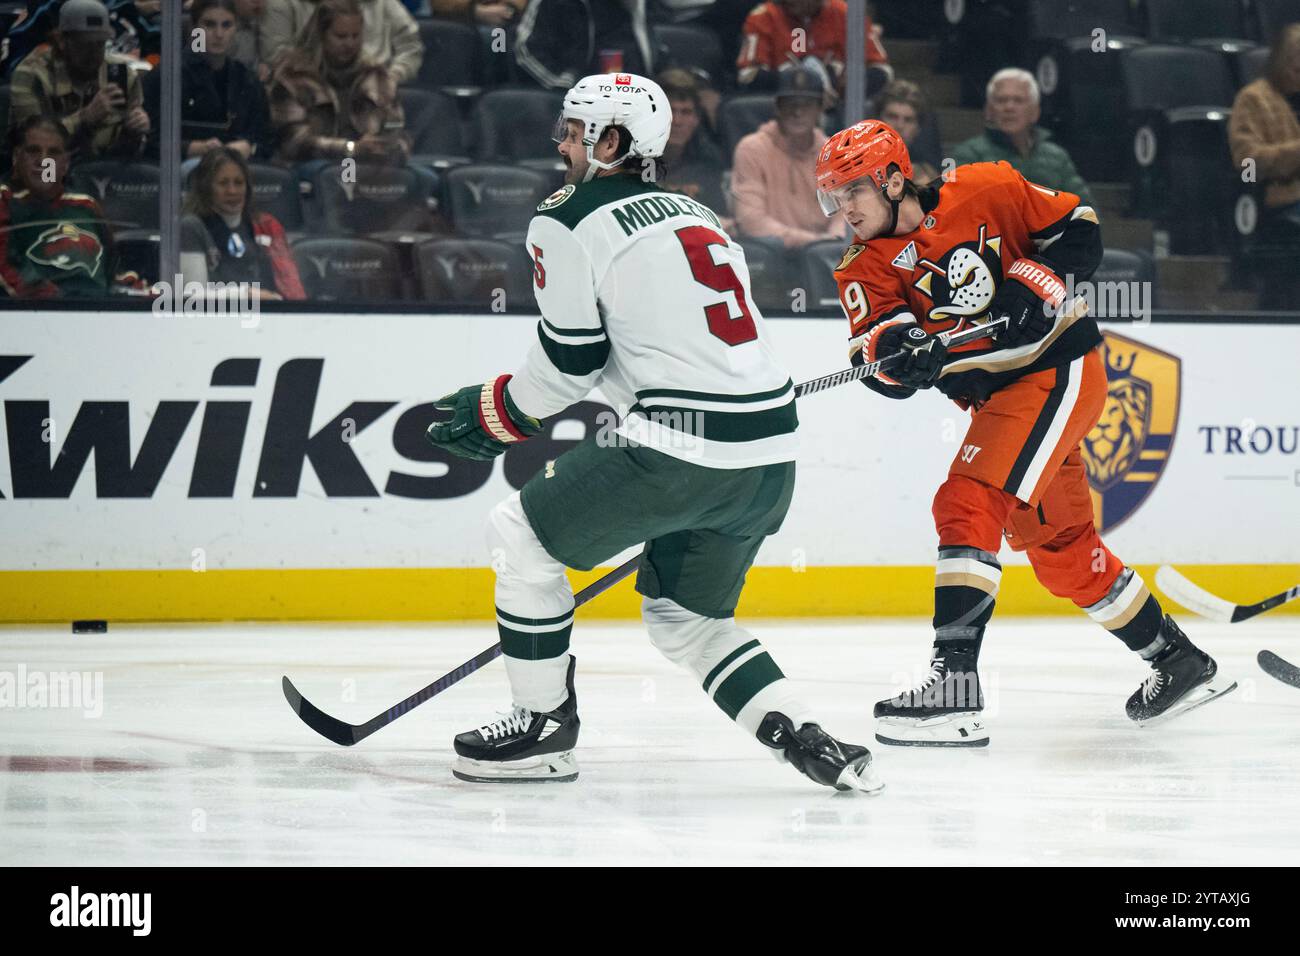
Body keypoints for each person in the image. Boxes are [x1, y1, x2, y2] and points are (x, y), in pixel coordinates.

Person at [425, 72, 881, 792]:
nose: (563, 145)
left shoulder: (568, 214)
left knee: (519, 538)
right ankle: (804, 735)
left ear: (611, 142)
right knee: (684, 618)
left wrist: (499, 411)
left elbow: (571, 363)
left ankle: (542, 727)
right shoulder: (694, 214)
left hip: (680, 447)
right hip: (769, 456)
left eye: (574, 131)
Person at [815, 121, 1235, 743]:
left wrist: (1028, 281)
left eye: (852, 190)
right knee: (1061, 554)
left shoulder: (987, 187)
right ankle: (1178, 661)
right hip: (997, 399)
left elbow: (1080, 228)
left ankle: (954, 687)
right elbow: (876, 354)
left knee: (964, 502)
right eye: (832, 196)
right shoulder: (861, 267)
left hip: (1058, 369)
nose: (842, 208)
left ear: (894, 178)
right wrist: (905, 353)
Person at [0, 115, 136, 297]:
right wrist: (65, 305)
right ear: (17, 157)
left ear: (65, 163)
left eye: (53, 153)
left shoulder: (86, 206)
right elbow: (8, 272)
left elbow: (112, 273)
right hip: (40, 316)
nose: (44, 162)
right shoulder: (5, 201)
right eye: (33, 151)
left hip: (100, 314)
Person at [266, 0, 410, 165]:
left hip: (367, 165)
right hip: (315, 166)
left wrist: (389, 147)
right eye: (341, 36)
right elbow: (292, 142)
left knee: (424, 178)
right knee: (339, 175)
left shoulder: (377, 75)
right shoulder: (292, 76)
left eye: (355, 36)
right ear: (321, 35)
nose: (349, 44)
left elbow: (398, 131)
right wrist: (350, 149)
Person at [8, 0, 150, 161]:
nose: (94, 53)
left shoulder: (121, 74)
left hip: (103, 170)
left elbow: (128, 154)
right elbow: (33, 145)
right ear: (62, 41)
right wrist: (85, 118)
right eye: (85, 44)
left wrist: (135, 132)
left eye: (100, 44)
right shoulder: (32, 74)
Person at [731, 62, 846, 249]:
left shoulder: (834, 153)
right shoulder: (752, 148)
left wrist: (832, 243)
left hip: (823, 255)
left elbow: (845, 214)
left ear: (820, 109)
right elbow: (751, 221)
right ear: (777, 107)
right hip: (774, 253)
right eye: (790, 104)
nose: (797, 112)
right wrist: (814, 243)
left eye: (806, 105)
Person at [143, 0, 274, 162]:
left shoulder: (247, 80)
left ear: (236, 29)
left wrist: (248, 147)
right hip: (178, 169)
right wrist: (195, 148)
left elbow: (265, 140)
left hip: (237, 167)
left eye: (227, 25)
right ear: (194, 28)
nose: (219, 34)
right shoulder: (166, 76)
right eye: (209, 25)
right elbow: (149, 141)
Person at [1229, 22, 1300, 304]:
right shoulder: (1254, 100)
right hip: (1278, 203)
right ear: (1280, 64)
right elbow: (1247, 161)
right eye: (1296, 67)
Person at [949, 67, 1092, 204]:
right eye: (1001, 100)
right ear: (988, 111)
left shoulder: (1056, 157)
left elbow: (1086, 209)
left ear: (1035, 112)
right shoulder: (969, 155)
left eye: (1018, 100)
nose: (1009, 107)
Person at [181, 146, 306, 299]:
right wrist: (246, 295)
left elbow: (290, 288)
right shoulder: (191, 227)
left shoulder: (264, 226)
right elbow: (191, 296)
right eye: (223, 183)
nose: (232, 191)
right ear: (206, 187)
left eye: (239, 183)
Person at [736, 0, 891, 98]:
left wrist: (849, 84)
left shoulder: (848, 15)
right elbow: (747, 76)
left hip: (839, 106)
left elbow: (882, 70)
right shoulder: (764, 16)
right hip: (781, 106)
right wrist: (798, 81)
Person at [258, 0, 423, 85]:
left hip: (379, 86)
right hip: (309, 88)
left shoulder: (383, 3)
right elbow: (276, 54)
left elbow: (411, 46)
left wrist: (392, 76)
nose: (349, 43)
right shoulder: (282, 4)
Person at [515, 0, 654, 90]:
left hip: (629, 95)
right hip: (569, 98)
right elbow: (526, 51)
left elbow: (653, 51)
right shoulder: (554, 4)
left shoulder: (635, 6)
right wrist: (567, 85)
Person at [654, 67, 726, 213]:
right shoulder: (631, 161)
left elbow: (718, 215)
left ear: (697, 119)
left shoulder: (709, 160)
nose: (677, 121)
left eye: (686, 112)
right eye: (670, 111)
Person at [874, 79, 940, 182]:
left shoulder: (926, 177)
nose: (899, 126)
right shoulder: (855, 165)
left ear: (918, 129)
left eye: (908, 120)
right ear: (877, 120)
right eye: (892, 117)